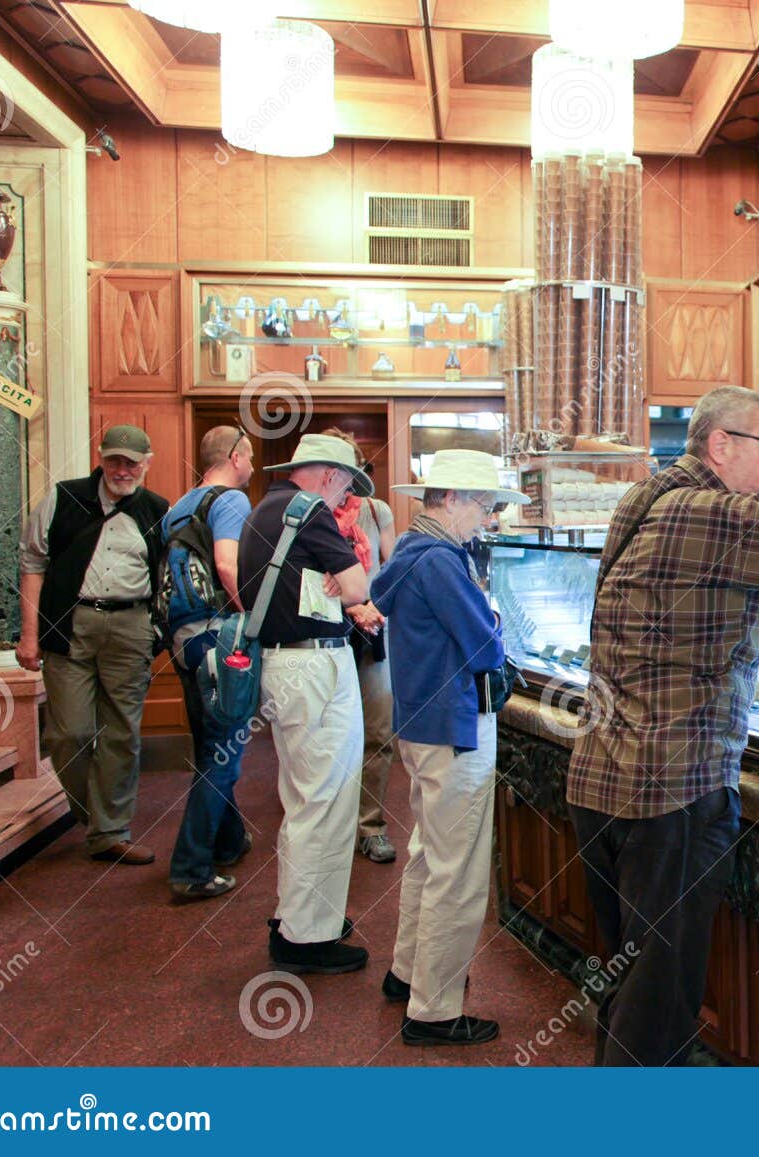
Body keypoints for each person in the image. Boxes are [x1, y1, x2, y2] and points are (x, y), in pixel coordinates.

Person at [568, 385, 759, 1066]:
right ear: (720, 444)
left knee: (628, 986)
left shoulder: (647, 496)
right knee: (657, 1006)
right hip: (671, 791)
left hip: (602, 779)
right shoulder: (705, 514)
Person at [372, 449, 525, 1047]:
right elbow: (485, 646)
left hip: (420, 723)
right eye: (484, 506)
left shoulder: (411, 551)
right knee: (457, 872)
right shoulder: (442, 560)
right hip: (455, 727)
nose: (488, 519)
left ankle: (407, 972)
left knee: (427, 855)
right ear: (452, 499)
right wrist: (495, 619)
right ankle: (433, 1010)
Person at [237, 433, 371, 974]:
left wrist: (332, 577)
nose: (345, 497)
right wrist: (345, 578)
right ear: (330, 475)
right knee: (326, 799)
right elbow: (358, 587)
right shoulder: (309, 510)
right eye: (346, 485)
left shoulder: (263, 509)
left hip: (283, 663)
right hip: (314, 665)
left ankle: (300, 915)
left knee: (303, 796)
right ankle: (306, 938)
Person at [19, 425, 169, 865]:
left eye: (132, 463)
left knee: (122, 732)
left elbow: (165, 573)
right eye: (114, 460)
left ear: (147, 463)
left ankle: (109, 832)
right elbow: (32, 564)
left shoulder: (156, 510)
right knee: (69, 733)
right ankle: (94, 814)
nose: (123, 470)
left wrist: (159, 629)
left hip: (131, 625)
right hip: (70, 623)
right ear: (100, 458)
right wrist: (28, 634)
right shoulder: (64, 498)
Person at [163, 426, 256, 899]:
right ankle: (191, 870)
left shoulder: (179, 506)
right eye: (250, 458)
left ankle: (229, 840)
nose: (253, 467)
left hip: (183, 640)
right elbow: (226, 564)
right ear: (235, 457)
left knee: (211, 747)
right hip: (218, 638)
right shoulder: (231, 500)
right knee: (223, 755)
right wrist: (252, 617)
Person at [316, 428, 398, 866]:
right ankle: (332, 825)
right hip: (323, 635)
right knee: (328, 733)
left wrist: (370, 606)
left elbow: (391, 571)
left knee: (378, 731)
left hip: (370, 633)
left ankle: (370, 826)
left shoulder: (376, 510)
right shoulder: (311, 513)